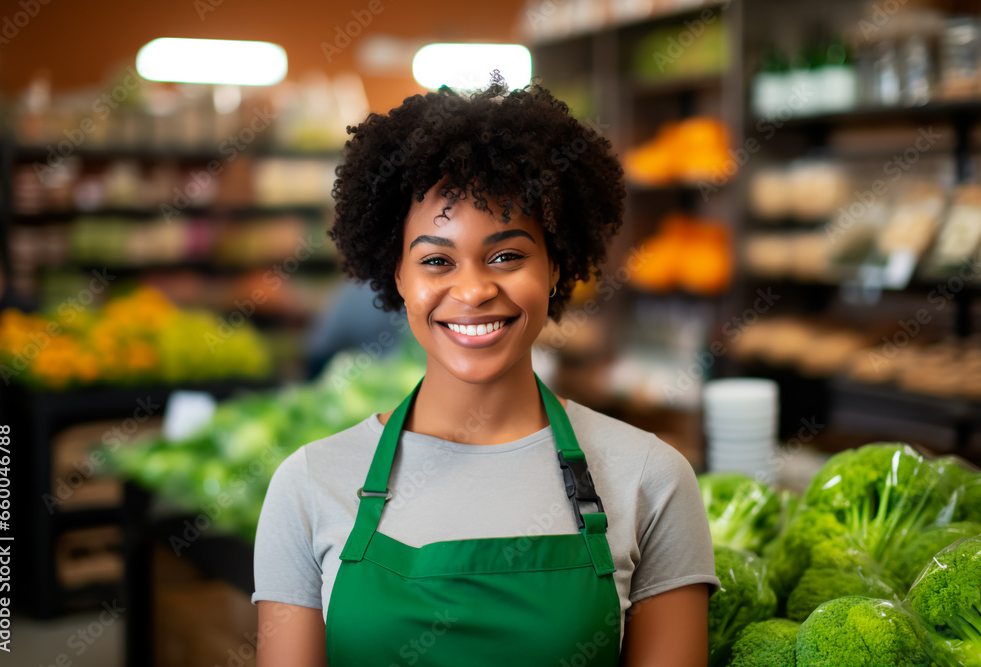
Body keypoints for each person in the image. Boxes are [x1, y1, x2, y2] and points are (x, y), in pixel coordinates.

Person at [251, 77, 719, 667]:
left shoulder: (650, 479)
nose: (472, 290)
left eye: (506, 255)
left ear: (556, 267)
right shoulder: (309, 486)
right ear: (397, 277)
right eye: (436, 260)